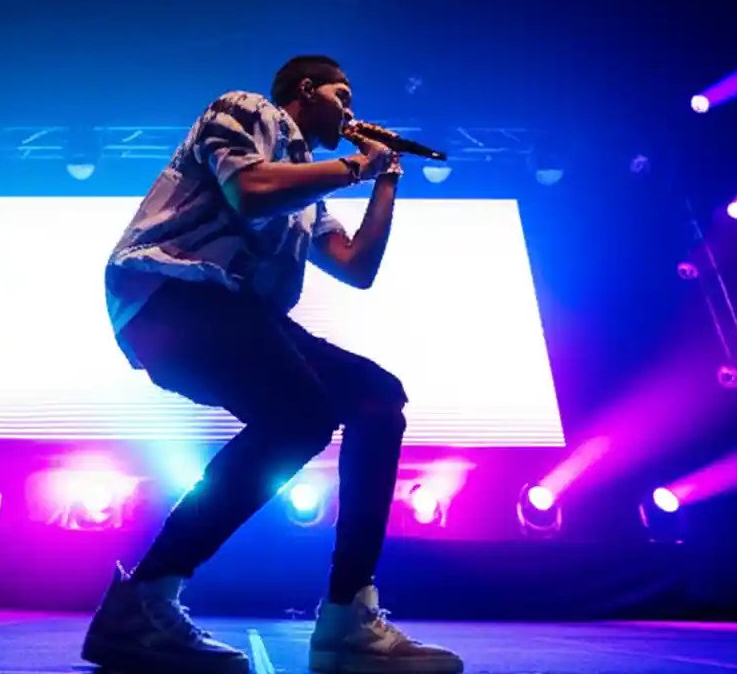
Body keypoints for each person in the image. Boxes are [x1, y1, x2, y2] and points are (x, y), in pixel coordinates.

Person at [81, 55, 464, 674]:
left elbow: (356, 267)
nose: (349, 111)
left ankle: (348, 618)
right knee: (301, 417)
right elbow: (250, 190)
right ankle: (144, 601)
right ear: (306, 91)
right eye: (341, 96)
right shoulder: (245, 108)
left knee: (375, 397)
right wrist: (355, 166)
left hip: (239, 310)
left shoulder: (308, 192)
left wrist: (386, 179)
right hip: (170, 294)